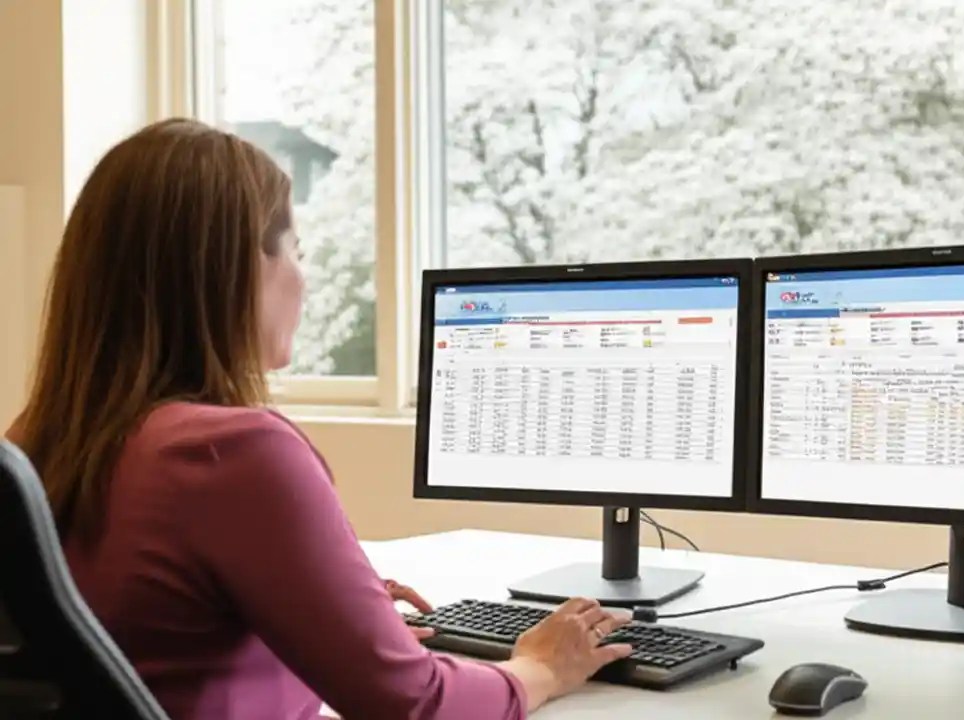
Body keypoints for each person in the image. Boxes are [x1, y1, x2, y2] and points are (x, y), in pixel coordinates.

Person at [3, 119, 632, 719]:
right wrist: (541, 667)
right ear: (242, 267)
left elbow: (152, 626)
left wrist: (317, 598)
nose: (304, 279)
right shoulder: (236, 453)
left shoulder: (38, 437)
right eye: (296, 250)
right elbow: (418, 706)